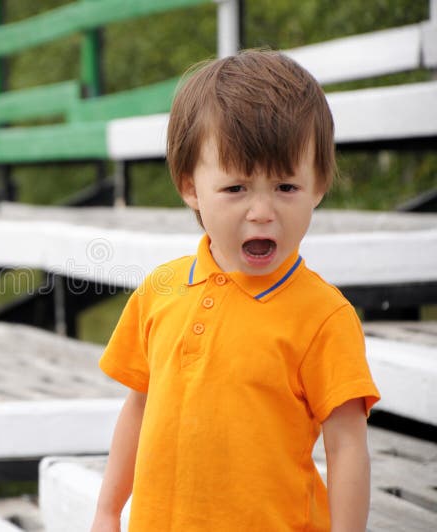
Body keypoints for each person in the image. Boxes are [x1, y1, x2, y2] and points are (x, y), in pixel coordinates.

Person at [91, 50, 380, 531]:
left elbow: (347, 446)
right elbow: (139, 408)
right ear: (190, 187)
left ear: (319, 185)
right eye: (236, 189)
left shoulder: (323, 316)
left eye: (286, 187)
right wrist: (107, 510)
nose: (262, 211)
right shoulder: (160, 290)